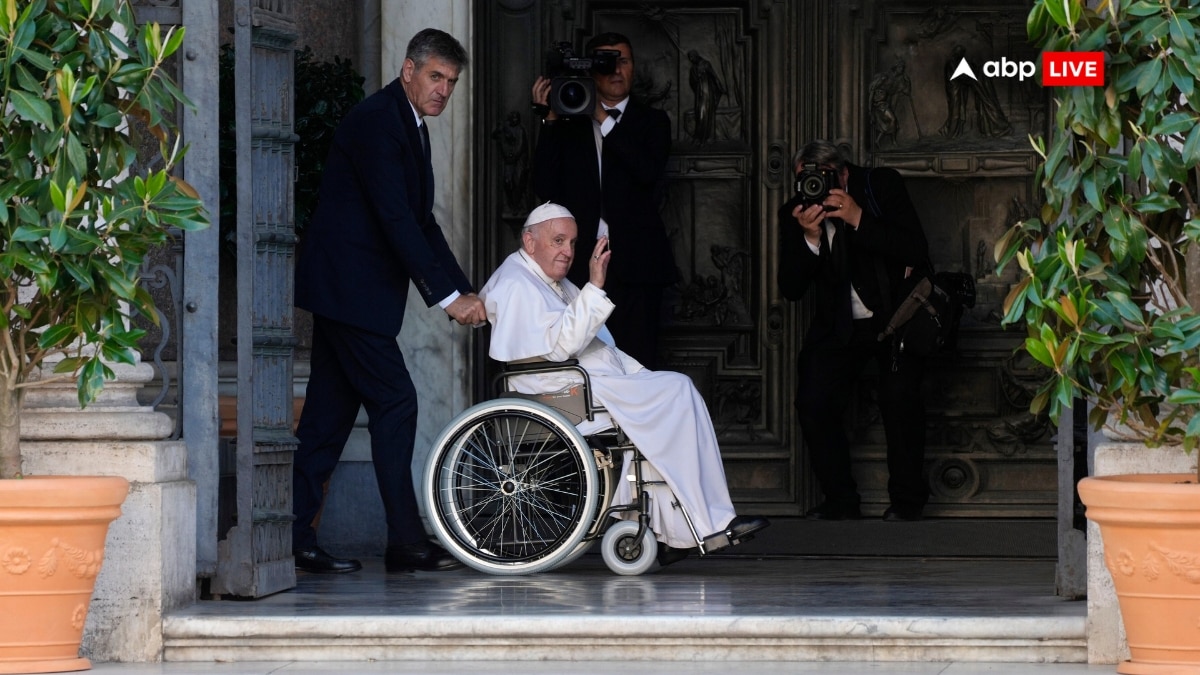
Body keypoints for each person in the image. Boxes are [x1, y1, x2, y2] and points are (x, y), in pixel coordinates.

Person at [291, 28, 487, 574]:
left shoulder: (411, 123)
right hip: (349, 292)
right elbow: (394, 219)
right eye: (435, 77)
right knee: (395, 402)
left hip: (350, 295)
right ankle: (403, 541)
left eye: (451, 81)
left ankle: (294, 537)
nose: (443, 90)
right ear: (408, 71)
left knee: (327, 420)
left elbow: (422, 223)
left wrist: (467, 289)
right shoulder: (380, 121)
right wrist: (448, 297)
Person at [480, 202, 769, 566]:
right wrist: (595, 286)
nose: (568, 251)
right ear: (529, 239)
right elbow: (562, 347)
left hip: (583, 384)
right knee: (677, 392)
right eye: (558, 241)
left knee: (674, 397)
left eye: (572, 242)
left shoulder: (541, 276)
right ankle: (708, 524)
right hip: (564, 394)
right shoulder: (516, 282)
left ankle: (677, 530)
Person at [777, 140, 932, 522]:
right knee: (813, 402)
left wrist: (858, 217)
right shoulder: (795, 213)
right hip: (839, 323)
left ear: (843, 174)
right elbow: (791, 289)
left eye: (824, 178)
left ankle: (908, 504)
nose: (815, 186)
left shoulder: (880, 186)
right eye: (806, 179)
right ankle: (840, 500)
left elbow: (916, 251)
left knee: (900, 399)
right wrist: (809, 239)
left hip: (894, 318)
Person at [530, 32, 675, 370]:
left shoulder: (653, 121)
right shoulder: (569, 123)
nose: (615, 70)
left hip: (639, 269)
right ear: (591, 70)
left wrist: (601, 117)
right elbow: (544, 187)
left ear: (634, 67)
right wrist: (549, 118)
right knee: (584, 364)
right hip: (579, 266)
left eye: (622, 60)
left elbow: (646, 172)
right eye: (605, 62)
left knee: (640, 364)